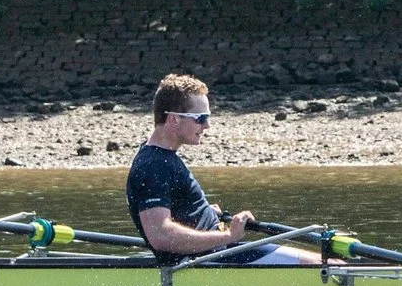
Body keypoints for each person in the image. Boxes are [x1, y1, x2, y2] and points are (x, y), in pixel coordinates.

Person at [127, 74, 310, 263]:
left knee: (326, 260)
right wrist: (229, 235)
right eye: (200, 118)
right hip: (208, 260)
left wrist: (201, 212)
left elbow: (170, 210)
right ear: (174, 119)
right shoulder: (153, 166)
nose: (207, 125)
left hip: (214, 253)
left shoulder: (160, 157)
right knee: (327, 264)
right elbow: (161, 236)